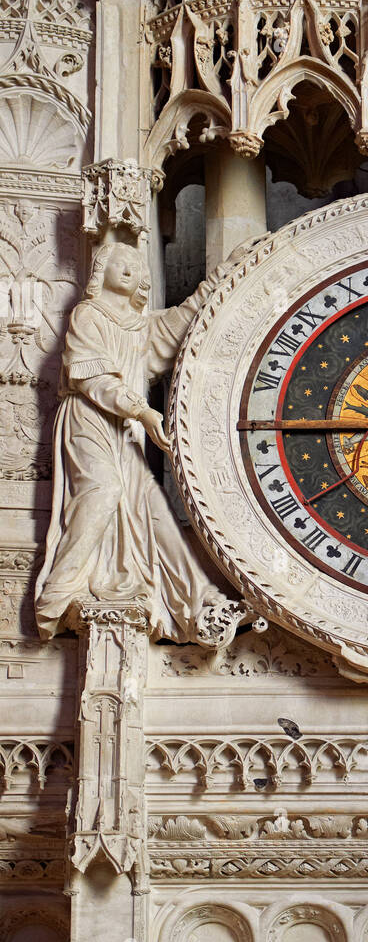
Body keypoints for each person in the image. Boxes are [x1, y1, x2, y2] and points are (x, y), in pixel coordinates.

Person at [35, 232, 247, 641]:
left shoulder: (140, 325)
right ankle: (56, 596)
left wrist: (228, 271)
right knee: (102, 491)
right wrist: (143, 411)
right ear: (102, 270)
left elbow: (184, 319)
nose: (131, 269)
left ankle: (198, 601)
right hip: (90, 420)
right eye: (121, 262)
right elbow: (91, 378)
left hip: (127, 428)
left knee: (152, 505)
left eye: (138, 266)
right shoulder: (89, 314)